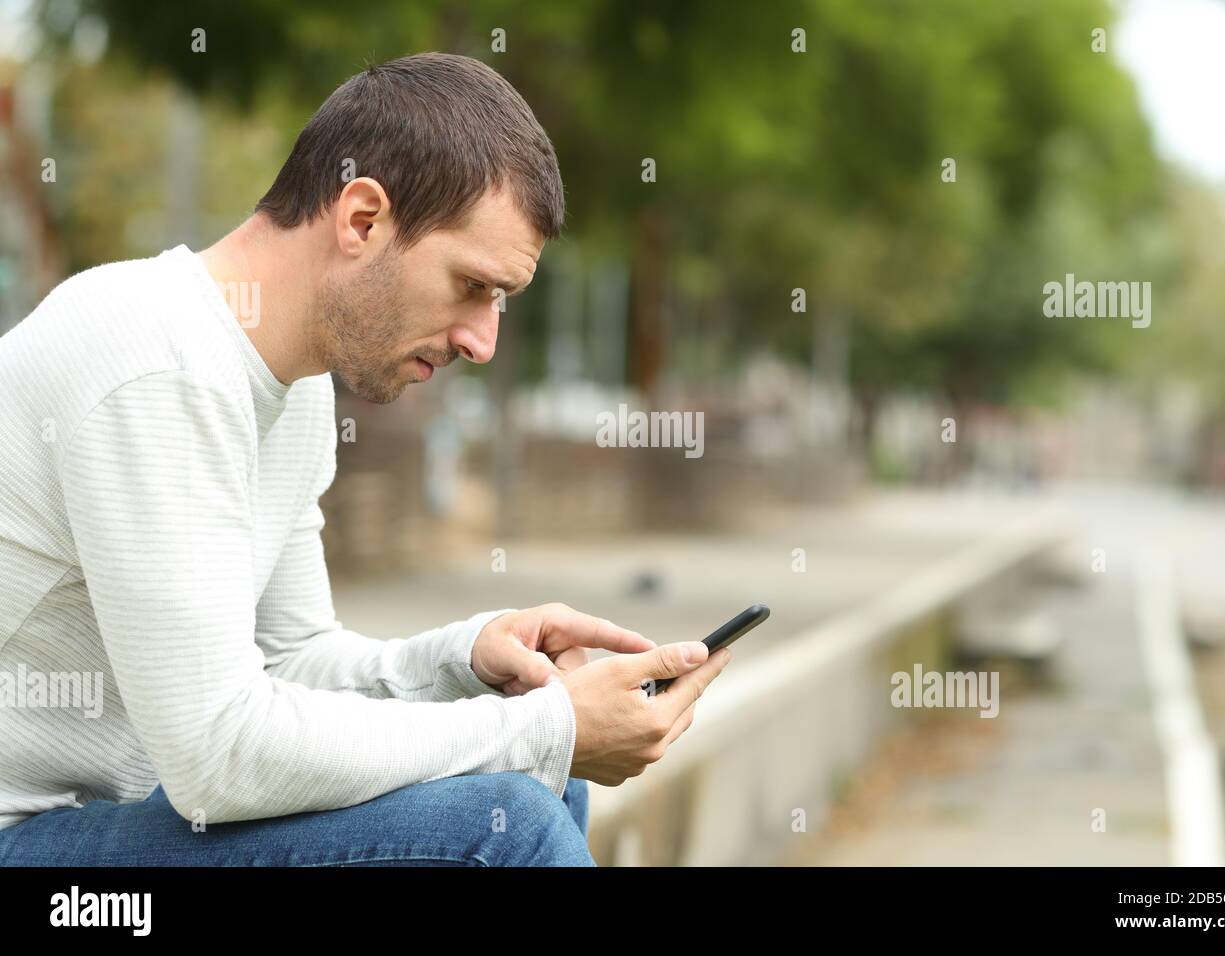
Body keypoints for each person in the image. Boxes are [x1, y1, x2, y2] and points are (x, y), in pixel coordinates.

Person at [0, 51, 730, 866]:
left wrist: (462, 663)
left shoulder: (294, 387)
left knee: (545, 774)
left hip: (103, 828)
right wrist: (543, 728)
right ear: (361, 219)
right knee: (511, 816)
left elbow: (289, 662)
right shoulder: (152, 358)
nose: (482, 341)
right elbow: (219, 757)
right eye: (472, 287)